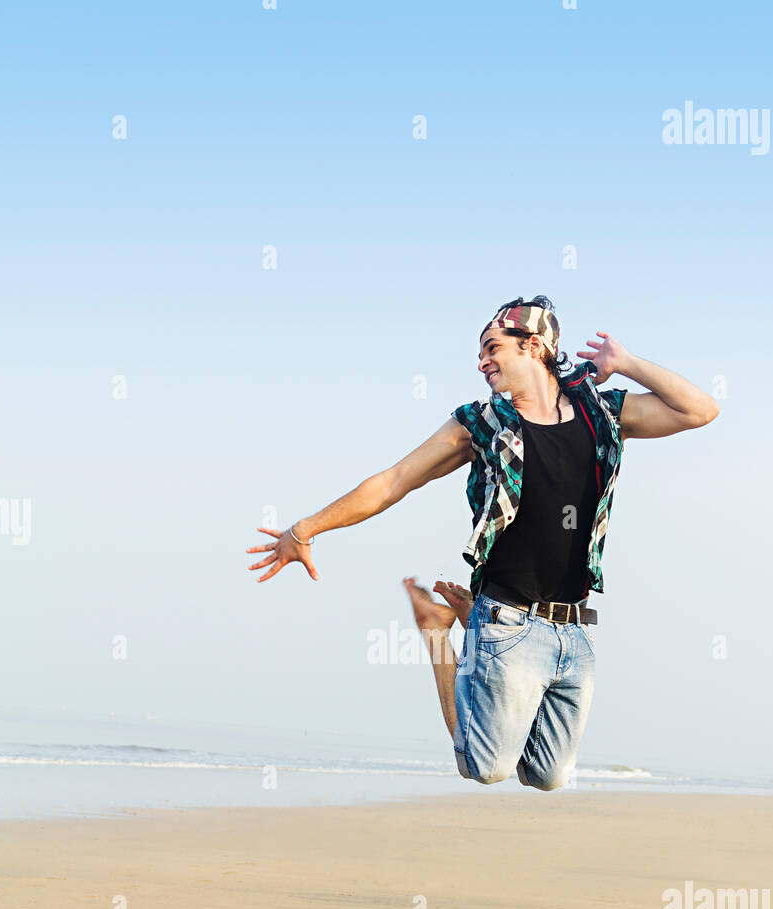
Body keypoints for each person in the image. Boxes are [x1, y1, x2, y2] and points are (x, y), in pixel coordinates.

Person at [247, 296, 718, 790]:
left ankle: (461, 624)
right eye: (480, 353)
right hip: (507, 619)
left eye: (493, 347)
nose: (482, 362)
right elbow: (393, 482)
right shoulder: (478, 426)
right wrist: (304, 529)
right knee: (486, 768)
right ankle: (438, 631)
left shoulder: (600, 411)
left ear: (534, 346)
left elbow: (700, 410)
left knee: (548, 776)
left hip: (574, 628)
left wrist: (627, 364)